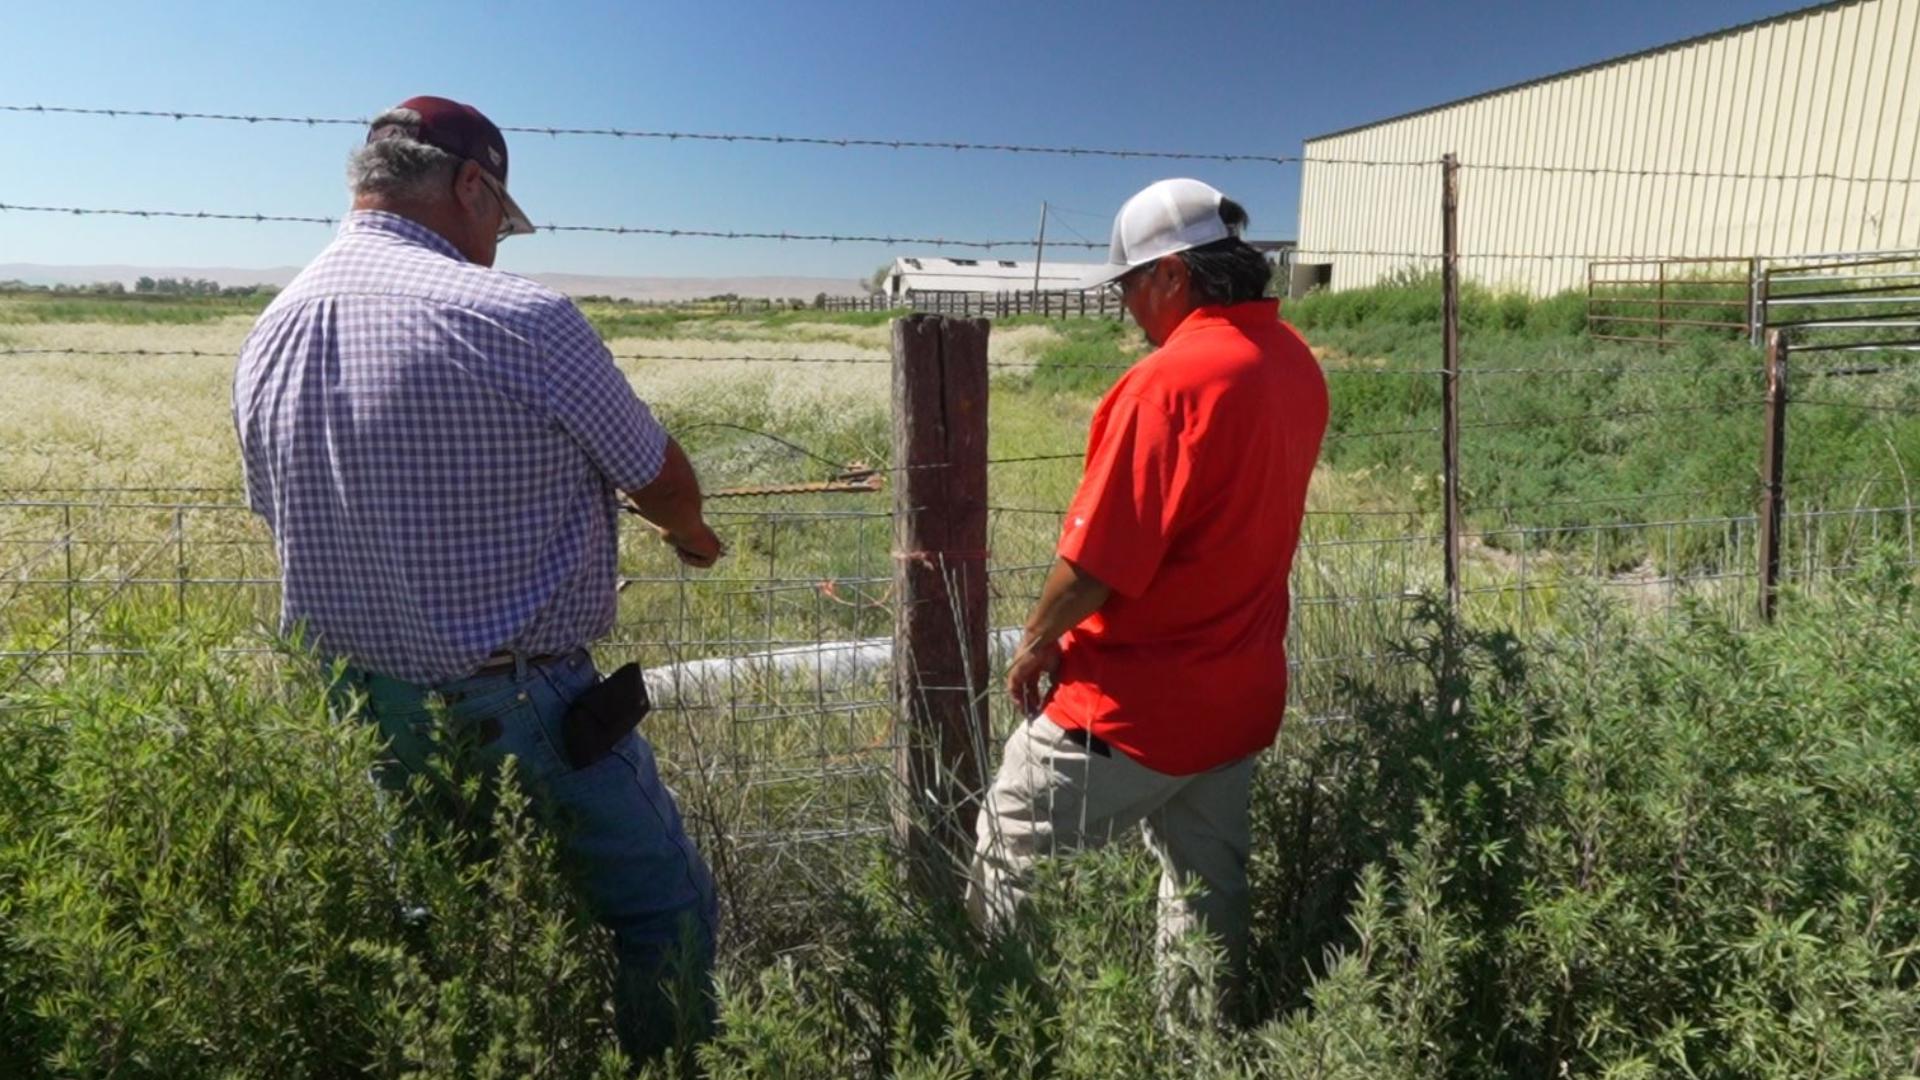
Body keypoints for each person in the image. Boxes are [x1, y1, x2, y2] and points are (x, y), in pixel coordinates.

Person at [232, 95, 722, 1060]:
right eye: (499, 214)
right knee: (665, 909)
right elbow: (655, 473)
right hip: (521, 695)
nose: (497, 239)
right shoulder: (520, 315)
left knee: (437, 916)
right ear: (467, 184)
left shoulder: (270, 331)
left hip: (362, 697)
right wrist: (693, 536)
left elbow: (273, 509)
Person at [969, 178, 1329, 1000]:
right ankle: (1204, 1045)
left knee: (1010, 848)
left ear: (1170, 275)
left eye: (1129, 284)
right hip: (1237, 697)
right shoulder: (1293, 362)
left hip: (1131, 708)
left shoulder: (1173, 382)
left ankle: (996, 1022)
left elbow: (1095, 565)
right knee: (1205, 896)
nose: (1127, 305)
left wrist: (1035, 643)